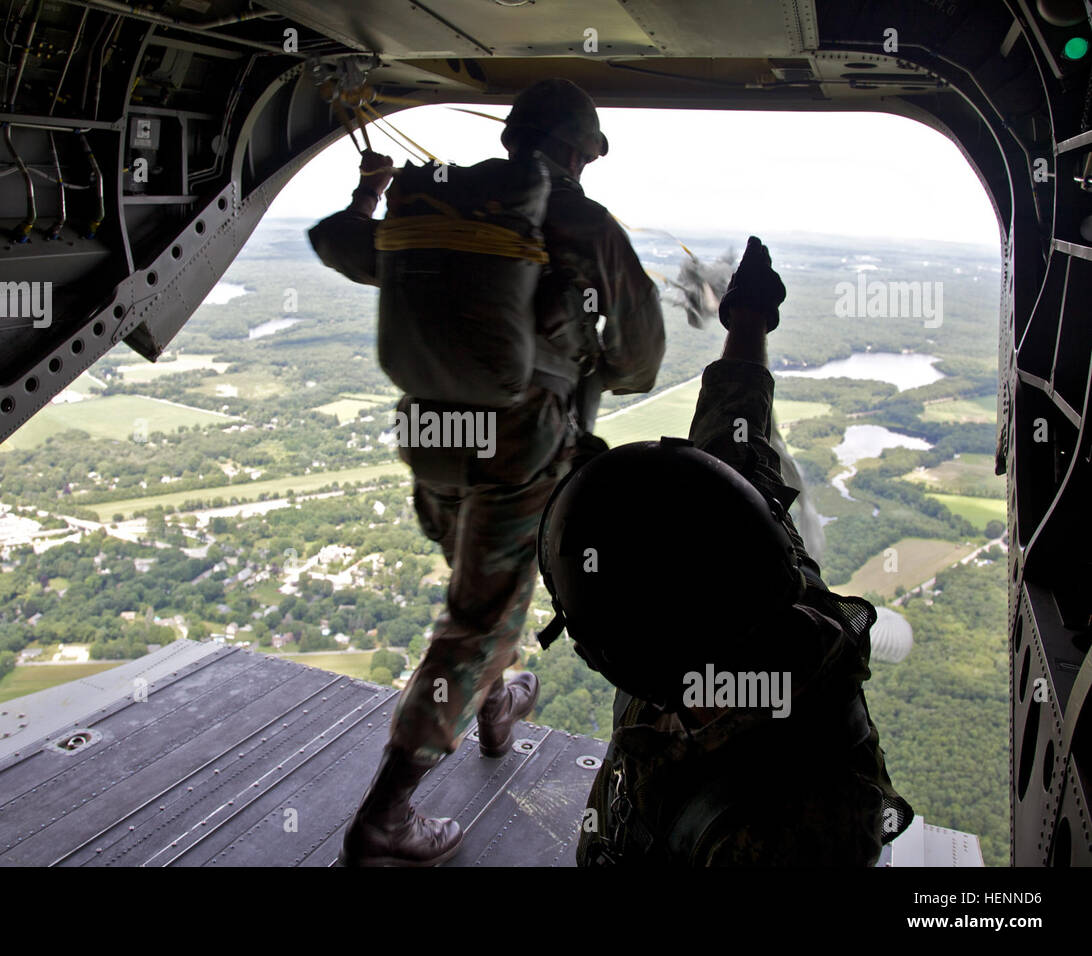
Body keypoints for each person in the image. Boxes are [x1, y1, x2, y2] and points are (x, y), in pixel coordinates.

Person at [308, 78, 665, 866]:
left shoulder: (434, 203)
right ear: (578, 151)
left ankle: (497, 700)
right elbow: (641, 362)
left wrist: (369, 193)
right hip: (520, 441)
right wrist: (585, 357)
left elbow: (336, 243)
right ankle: (385, 816)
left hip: (431, 429)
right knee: (478, 623)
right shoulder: (580, 221)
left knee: (483, 596)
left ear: (511, 139)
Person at [537, 237, 914, 865]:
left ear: (608, 656)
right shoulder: (754, 570)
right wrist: (747, 318)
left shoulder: (781, 831)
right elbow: (731, 432)